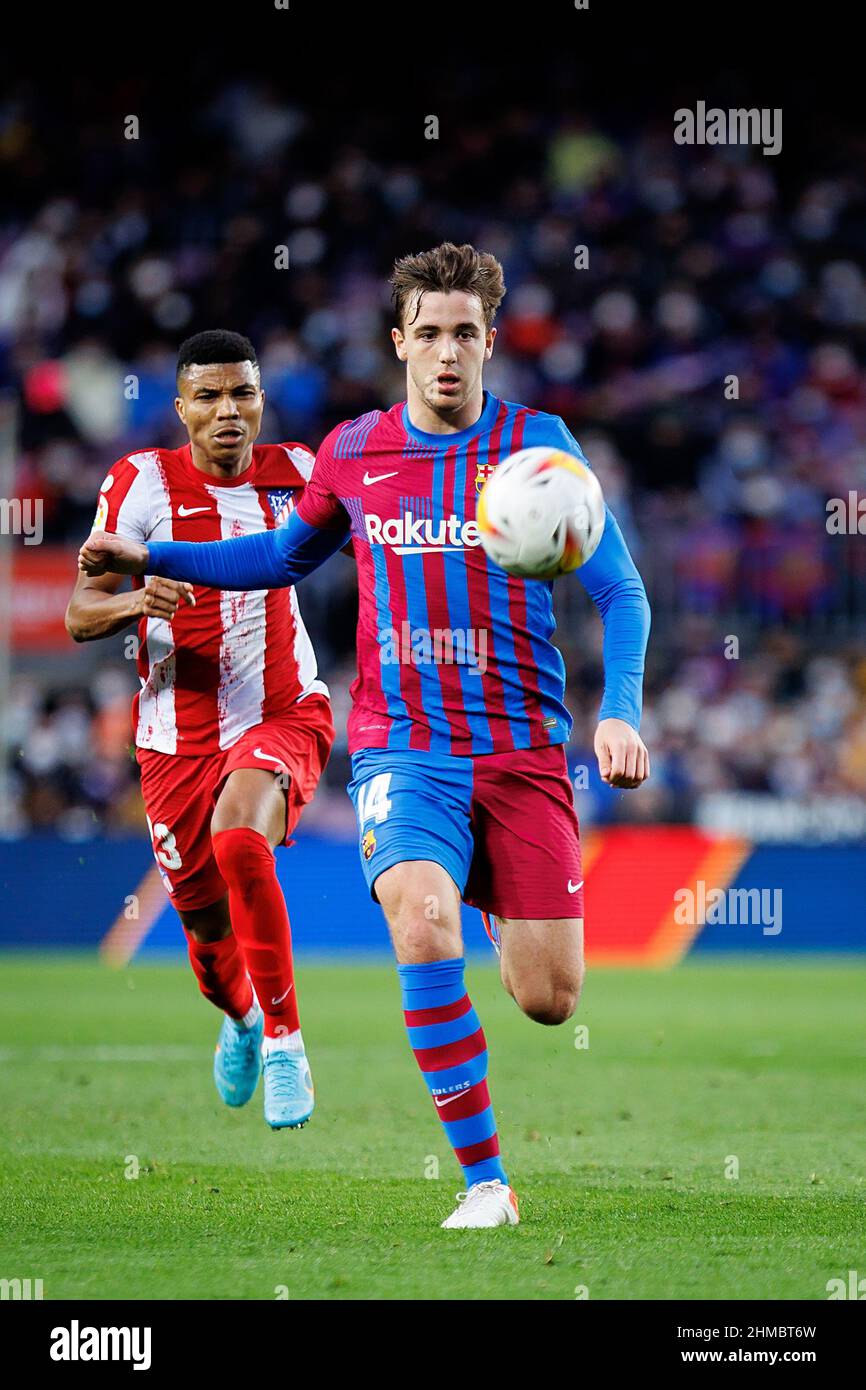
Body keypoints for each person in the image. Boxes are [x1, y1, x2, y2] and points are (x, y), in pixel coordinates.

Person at [79, 245, 651, 1228]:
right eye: (426, 333)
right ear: (398, 342)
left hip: (520, 753)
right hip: (404, 749)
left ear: (487, 342)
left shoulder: (539, 449)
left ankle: (477, 879)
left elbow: (617, 587)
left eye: (463, 334)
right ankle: (485, 1184)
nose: (445, 353)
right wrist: (153, 553)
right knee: (418, 923)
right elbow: (278, 554)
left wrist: (623, 708)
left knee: (550, 998)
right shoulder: (353, 451)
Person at [68, 330, 336, 1131]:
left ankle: (288, 1046)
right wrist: (130, 603)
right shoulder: (138, 482)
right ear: (179, 407)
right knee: (208, 937)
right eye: (209, 397)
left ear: (261, 401)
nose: (228, 411)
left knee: (241, 840)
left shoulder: (305, 474)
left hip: (282, 712)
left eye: (243, 394)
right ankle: (244, 1017)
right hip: (173, 740)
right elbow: (83, 611)